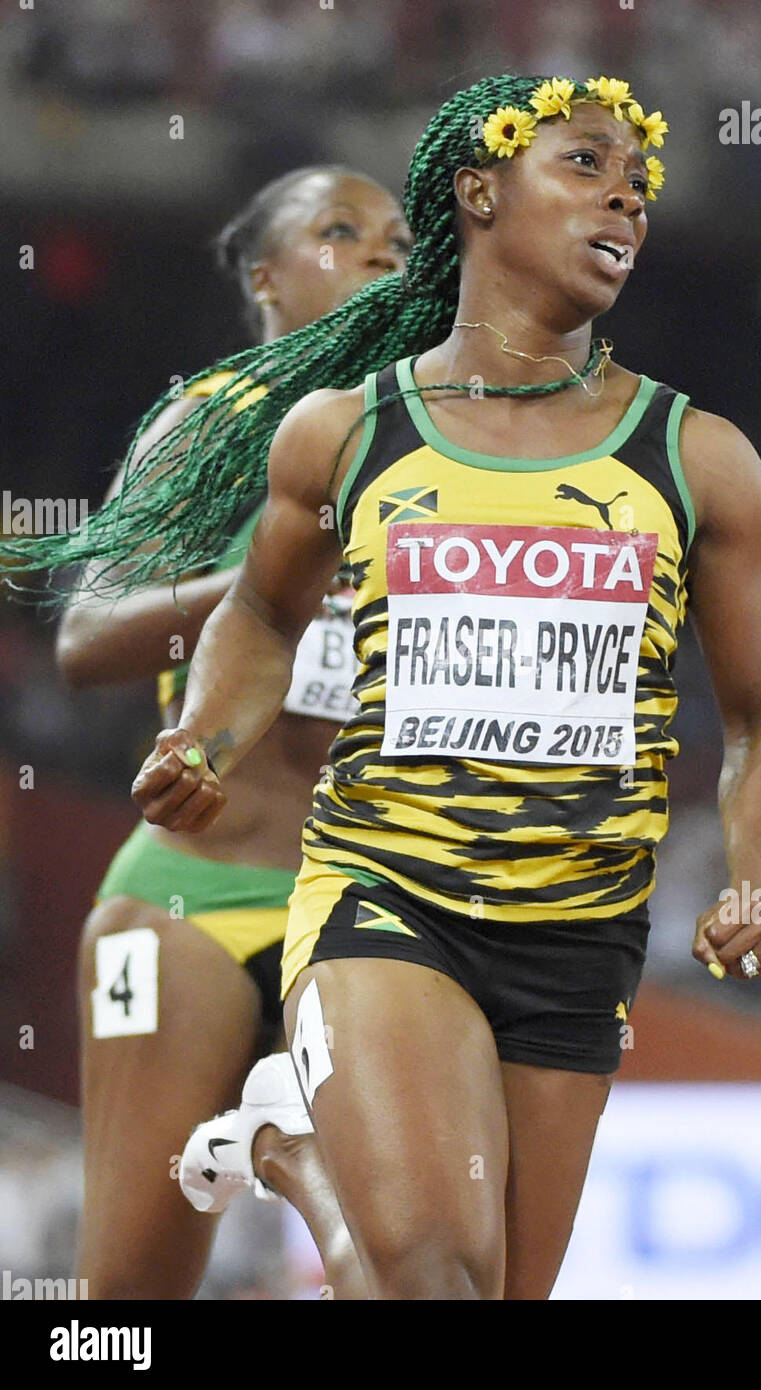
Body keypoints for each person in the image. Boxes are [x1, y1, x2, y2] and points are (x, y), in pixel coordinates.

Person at [13, 73, 761, 1301]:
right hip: (338, 890)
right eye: (586, 166)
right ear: (478, 194)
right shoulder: (302, 431)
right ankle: (288, 1147)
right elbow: (241, 615)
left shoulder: (694, 455)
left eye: (638, 184)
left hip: (575, 927)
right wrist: (204, 737)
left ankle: (280, 1134)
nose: (625, 201)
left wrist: (756, 875)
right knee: (147, 1303)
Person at [56, 165, 411, 1299]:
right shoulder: (207, 428)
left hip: (375, 908)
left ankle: (264, 1144)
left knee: (411, 1264)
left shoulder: (441, 444)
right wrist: (267, 577)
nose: (379, 255)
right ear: (264, 277)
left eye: (401, 243)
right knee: (127, 1296)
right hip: (186, 904)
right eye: (340, 232)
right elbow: (87, 638)